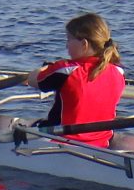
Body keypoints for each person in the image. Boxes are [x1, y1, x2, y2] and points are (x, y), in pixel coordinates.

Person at [22, 13, 126, 147]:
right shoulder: (119, 72)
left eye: (69, 40)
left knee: (20, 130)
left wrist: (46, 68)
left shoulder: (66, 70)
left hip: (62, 141)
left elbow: (32, 80)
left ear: (84, 44)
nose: (66, 46)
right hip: (101, 143)